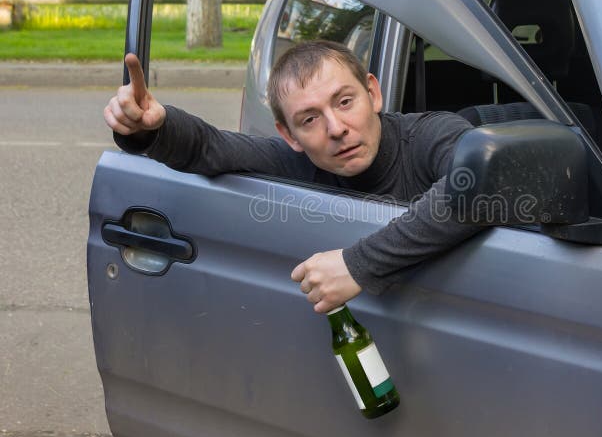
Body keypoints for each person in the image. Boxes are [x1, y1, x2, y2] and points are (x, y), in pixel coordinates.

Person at [105, 40, 482, 314]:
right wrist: (150, 129)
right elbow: (211, 148)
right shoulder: (297, 162)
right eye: (309, 119)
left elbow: (482, 183)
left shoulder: (433, 135)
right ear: (289, 135)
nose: (336, 128)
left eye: (345, 101)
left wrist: (359, 264)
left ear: (373, 93)